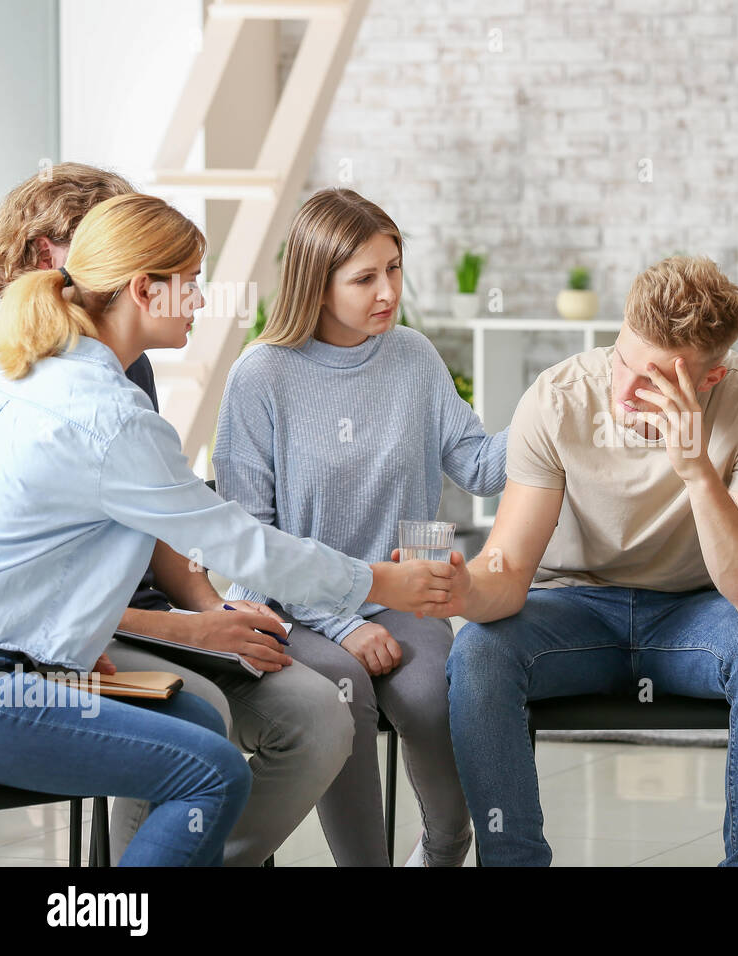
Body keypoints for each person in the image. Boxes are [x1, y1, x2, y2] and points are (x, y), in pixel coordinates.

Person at [0, 192, 450, 864]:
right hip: (15, 684)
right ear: (145, 291)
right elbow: (245, 543)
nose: (203, 302)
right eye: (192, 286)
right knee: (211, 772)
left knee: (204, 719)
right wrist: (384, 581)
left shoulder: (47, 376)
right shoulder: (109, 417)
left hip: (45, 664)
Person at [438, 255, 738, 866]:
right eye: (624, 362)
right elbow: (505, 576)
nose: (628, 393)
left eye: (657, 381)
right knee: (477, 651)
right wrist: (461, 589)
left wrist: (696, 471)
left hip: (695, 614)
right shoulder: (557, 399)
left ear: (708, 379)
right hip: (572, 610)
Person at [214, 188, 508, 866]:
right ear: (318, 285)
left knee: (440, 699)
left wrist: (562, 413)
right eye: (365, 277)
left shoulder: (413, 358)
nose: (388, 291)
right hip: (293, 612)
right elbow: (250, 537)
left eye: (395, 268)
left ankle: (441, 849)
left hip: (403, 599)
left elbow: (482, 463)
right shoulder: (261, 376)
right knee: (344, 698)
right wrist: (346, 624)